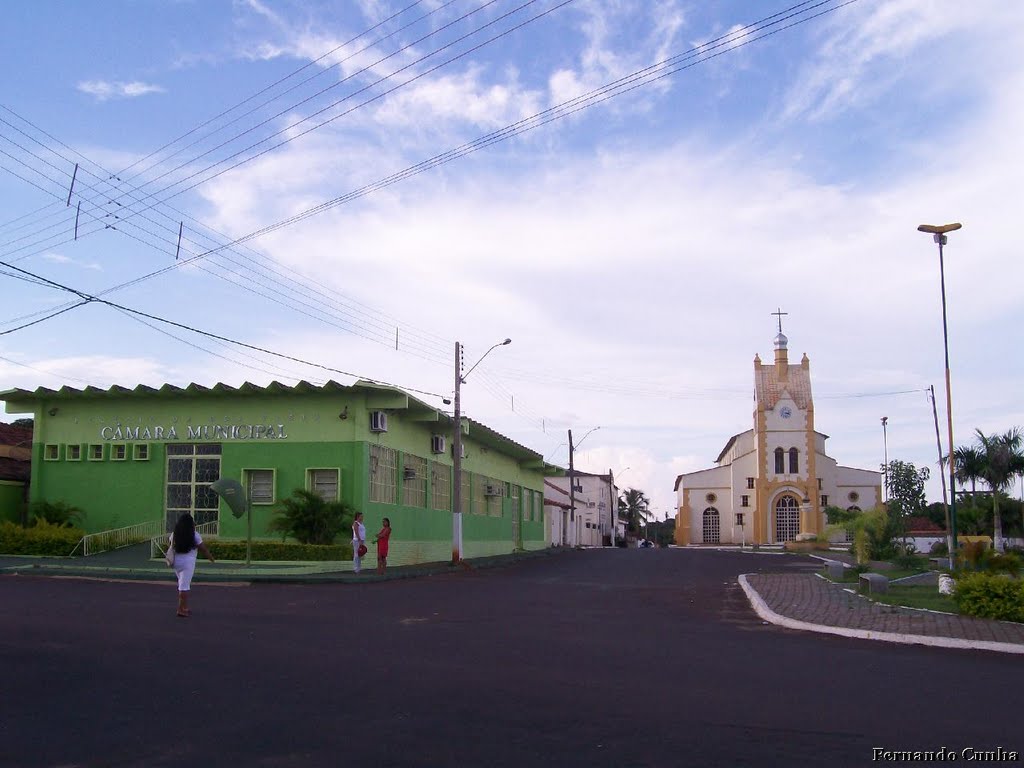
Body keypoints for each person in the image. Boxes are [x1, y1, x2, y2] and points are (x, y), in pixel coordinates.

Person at [169, 513, 214, 618]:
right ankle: (180, 609)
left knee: (182, 583)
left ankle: (184, 607)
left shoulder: (174, 534)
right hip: (188, 562)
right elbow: (203, 548)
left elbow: (170, 545)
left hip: (176, 562)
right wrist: (211, 558)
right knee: (184, 587)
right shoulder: (194, 534)